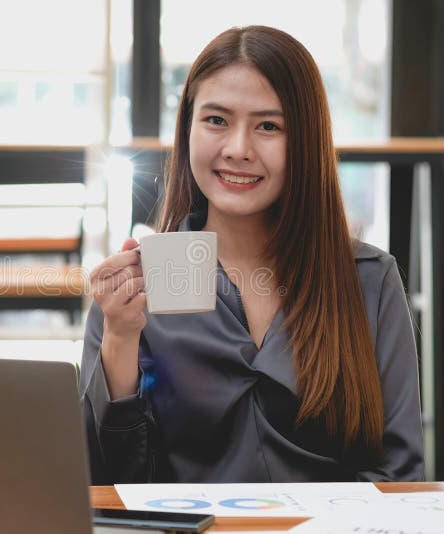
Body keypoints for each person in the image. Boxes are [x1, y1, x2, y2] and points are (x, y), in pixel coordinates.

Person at [80, 25, 424, 483]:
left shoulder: (370, 281)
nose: (238, 149)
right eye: (216, 120)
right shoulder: (136, 289)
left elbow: (399, 474)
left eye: (268, 126)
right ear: (187, 130)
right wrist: (121, 338)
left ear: (306, 141)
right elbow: (107, 485)